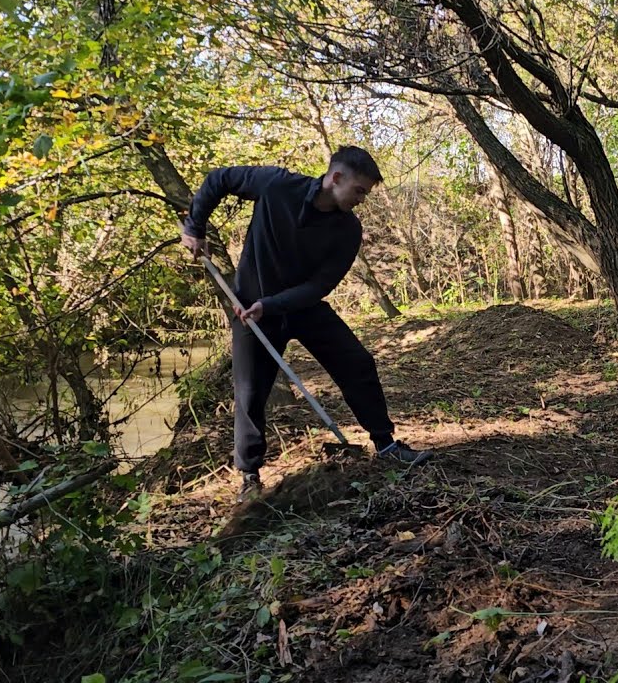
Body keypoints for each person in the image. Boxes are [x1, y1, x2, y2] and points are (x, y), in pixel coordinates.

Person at [180, 146, 431, 501]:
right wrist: (195, 226)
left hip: (302, 306)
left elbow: (319, 285)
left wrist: (274, 304)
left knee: (357, 362)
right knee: (250, 392)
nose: (362, 200)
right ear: (336, 177)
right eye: (359, 191)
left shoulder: (348, 230)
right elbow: (220, 179)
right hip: (251, 310)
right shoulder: (277, 186)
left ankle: (386, 445)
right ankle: (249, 477)